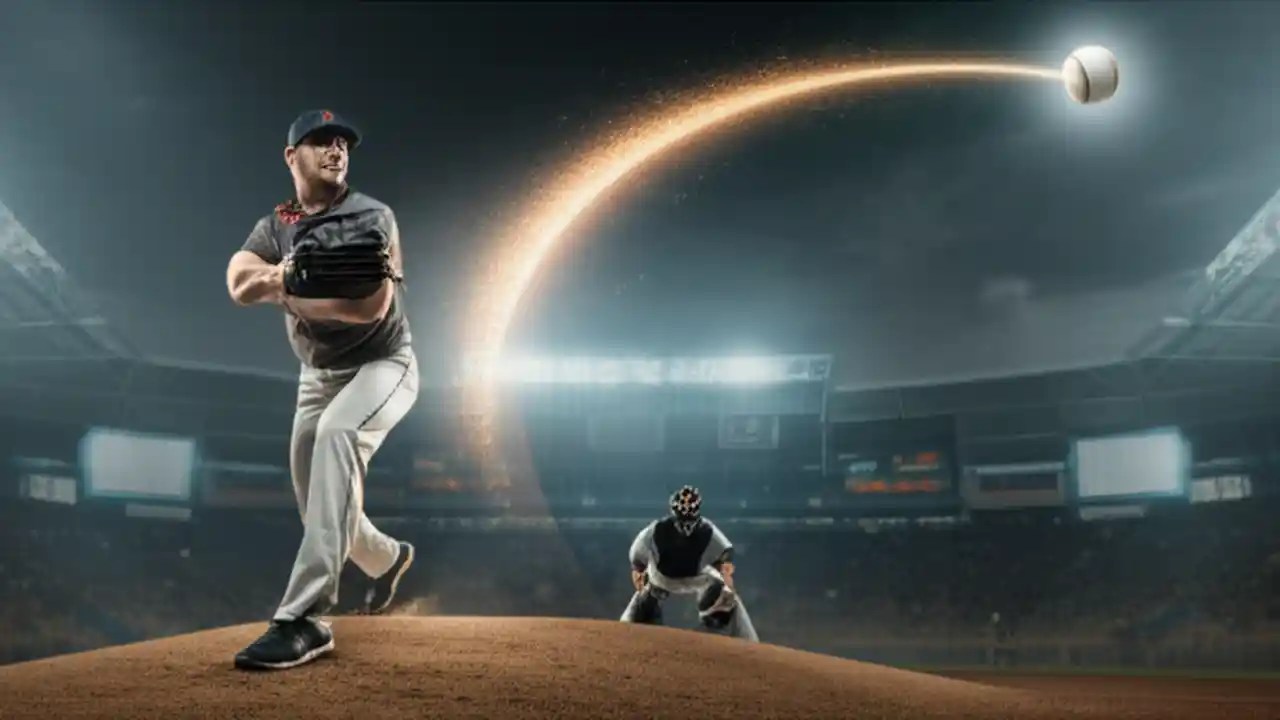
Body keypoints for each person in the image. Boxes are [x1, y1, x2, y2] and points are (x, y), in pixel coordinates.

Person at [224, 109, 419, 671]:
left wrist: (283, 290)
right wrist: (285, 274)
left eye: (342, 144)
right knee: (318, 504)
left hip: (383, 365)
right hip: (316, 376)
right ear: (292, 157)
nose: (336, 151)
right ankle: (387, 559)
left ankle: (304, 618)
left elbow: (367, 309)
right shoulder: (278, 221)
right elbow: (239, 285)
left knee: (339, 436)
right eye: (319, 143)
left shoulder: (372, 216)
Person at [620, 486, 759, 642]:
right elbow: (638, 549)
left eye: (690, 521)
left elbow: (725, 550)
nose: (686, 528)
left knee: (725, 593)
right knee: (644, 597)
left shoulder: (706, 530)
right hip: (662, 577)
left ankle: (732, 634)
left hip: (696, 578)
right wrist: (638, 569)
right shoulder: (658, 529)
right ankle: (628, 630)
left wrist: (725, 570)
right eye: (682, 521)